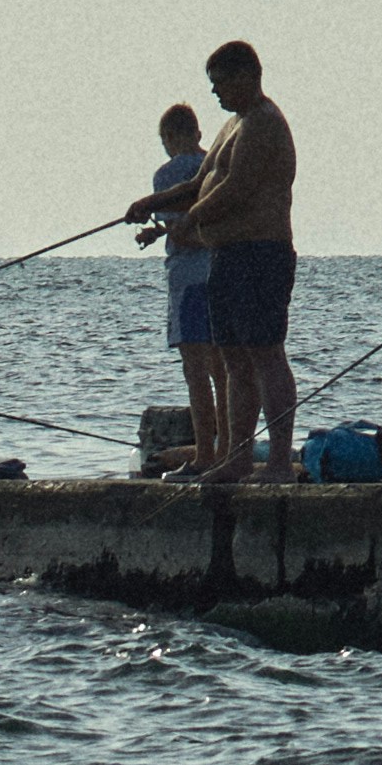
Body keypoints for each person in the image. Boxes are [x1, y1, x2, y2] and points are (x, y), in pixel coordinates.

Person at [126, 41, 297, 481]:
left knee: (265, 356)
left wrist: (189, 222)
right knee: (233, 361)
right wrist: (153, 201)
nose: (216, 94)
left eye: (220, 84)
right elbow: (202, 183)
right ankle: (235, 458)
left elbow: (236, 189)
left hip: (261, 252)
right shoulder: (230, 127)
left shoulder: (264, 124)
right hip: (226, 256)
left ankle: (278, 463)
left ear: (247, 76)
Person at [151, 104, 221, 464]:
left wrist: (164, 228)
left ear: (169, 138)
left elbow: (182, 230)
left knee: (196, 371)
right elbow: (202, 220)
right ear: (198, 131)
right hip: (222, 273)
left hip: (188, 279)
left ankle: (205, 456)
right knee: (224, 369)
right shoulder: (216, 165)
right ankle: (229, 449)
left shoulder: (167, 175)